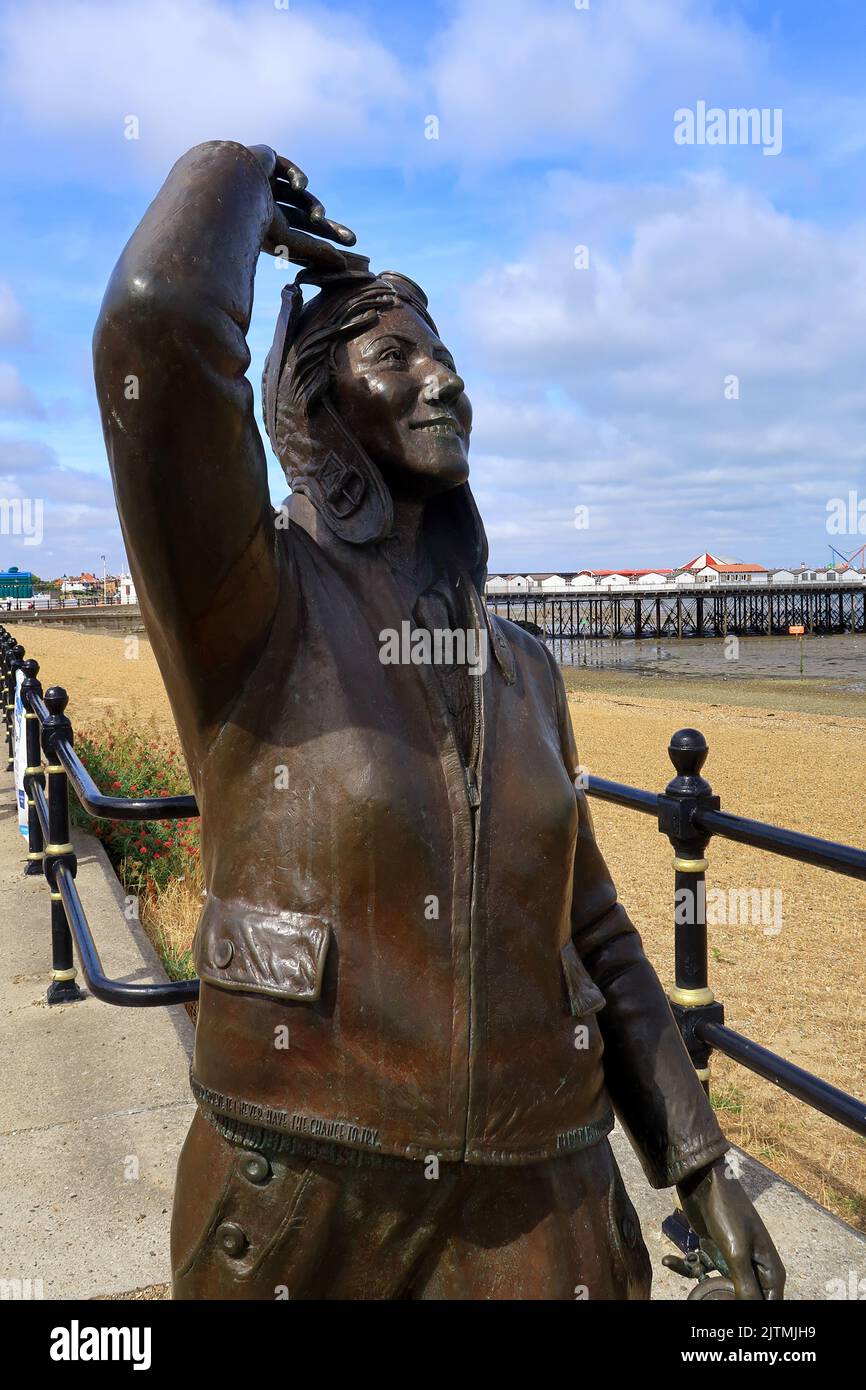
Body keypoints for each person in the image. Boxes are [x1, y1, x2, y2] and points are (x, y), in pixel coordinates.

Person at [93, 141, 784, 1300]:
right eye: (392, 354)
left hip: (543, 1194)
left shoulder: (524, 668)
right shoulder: (250, 605)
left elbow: (598, 933)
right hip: (311, 1188)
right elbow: (155, 332)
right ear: (313, 399)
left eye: (447, 358)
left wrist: (695, 1161)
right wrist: (242, 186)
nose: (440, 380)